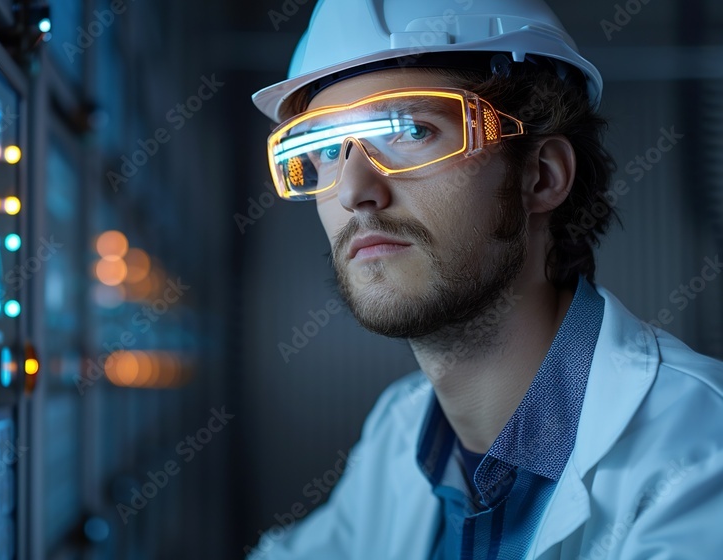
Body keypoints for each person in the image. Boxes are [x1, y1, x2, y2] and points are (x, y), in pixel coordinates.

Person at [246, 0, 723, 558]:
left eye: (411, 130)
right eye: (326, 149)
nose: (353, 190)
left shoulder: (697, 457)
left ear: (541, 177)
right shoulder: (402, 435)